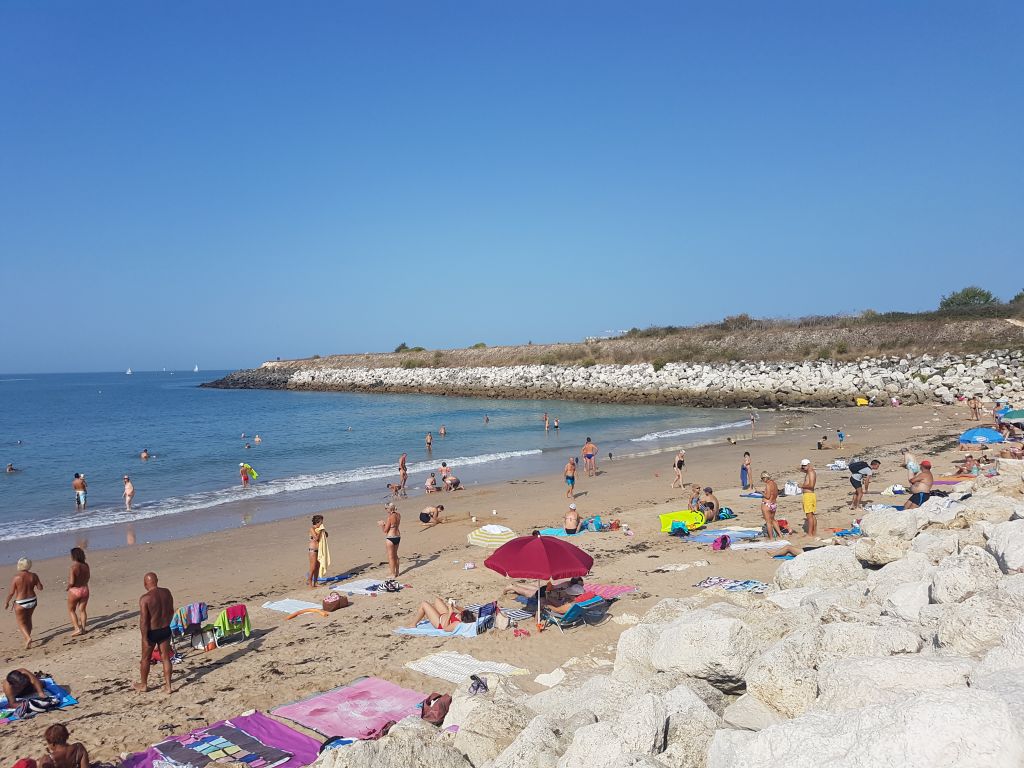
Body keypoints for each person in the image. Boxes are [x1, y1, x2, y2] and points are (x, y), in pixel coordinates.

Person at [134, 572, 175, 693]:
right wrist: (167, 624)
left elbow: (144, 621)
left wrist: (144, 637)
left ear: (145, 584)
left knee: (145, 659)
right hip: (165, 628)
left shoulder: (145, 598)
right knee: (166, 658)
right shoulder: (166, 592)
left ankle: (144, 685)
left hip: (152, 631)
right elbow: (171, 611)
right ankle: (168, 686)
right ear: (156, 580)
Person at [5, 559, 43, 649]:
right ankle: (27, 639)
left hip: (21, 602)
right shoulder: (34, 575)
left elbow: (11, 593)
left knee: (20, 622)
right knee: (28, 619)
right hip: (32, 600)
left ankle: (28, 638)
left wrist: (7, 602)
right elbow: (40, 588)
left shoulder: (16, 577)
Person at [406, 597, 473, 631]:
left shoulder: (457, 623)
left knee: (424, 604)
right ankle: (431, 611)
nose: (460, 613)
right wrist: (456, 606)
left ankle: (413, 624)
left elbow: (445, 628)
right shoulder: (466, 617)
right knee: (437, 600)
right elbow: (465, 611)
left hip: (439, 622)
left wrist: (450, 613)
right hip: (445, 614)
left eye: (461, 614)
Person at [66, 547, 90, 636]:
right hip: (85, 589)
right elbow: (88, 577)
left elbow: (72, 582)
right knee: (82, 610)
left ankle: (77, 628)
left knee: (71, 610)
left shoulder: (73, 567)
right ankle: (83, 628)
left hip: (75, 590)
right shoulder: (86, 565)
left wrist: (68, 587)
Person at [379, 503, 401, 578]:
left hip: (391, 537)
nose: (385, 510)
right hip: (397, 536)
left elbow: (385, 530)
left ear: (388, 509)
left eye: (386, 509)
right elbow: (394, 526)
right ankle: (397, 572)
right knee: (395, 555)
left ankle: (392, 574)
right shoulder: (398, 515)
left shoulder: (390, 517)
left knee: (391, 556)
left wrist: (382, 525)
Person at [760, 472, 783, 539]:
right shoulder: (774, 484)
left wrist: (761, 492)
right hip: (774, 504)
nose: (762, 480)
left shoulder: (768, 484)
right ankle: (780, 535)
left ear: (765, 478)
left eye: (762, 478)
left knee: (768, 522)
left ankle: (771, 538)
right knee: (773, 520)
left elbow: (767, 496)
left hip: (767, 505)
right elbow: (775, 493)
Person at [799, 459, 817, 537]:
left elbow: (811, 485)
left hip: (809, 496)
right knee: (811, 515)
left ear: (809, 465)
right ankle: (814, 532)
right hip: (809, 495)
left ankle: (810, 534)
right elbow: (801, 469)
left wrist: (801, 486)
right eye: (802, 466)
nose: (803, 467)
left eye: (805, 466)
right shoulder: (808, 472)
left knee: (809, 515)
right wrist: (801, 468)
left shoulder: (811, 473)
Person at [308, 515, 326, 588]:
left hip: (319, 550)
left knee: (317, 566)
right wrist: (320, 531)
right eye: (321, 522)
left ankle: (315, 582)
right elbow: (316, 538)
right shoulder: (312, 529)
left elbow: (326, 536)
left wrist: (324, 532)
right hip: (313, 550)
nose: (322, 524)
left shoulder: (320, 529)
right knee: (313, 567)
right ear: (317, 522)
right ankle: (309, 582)